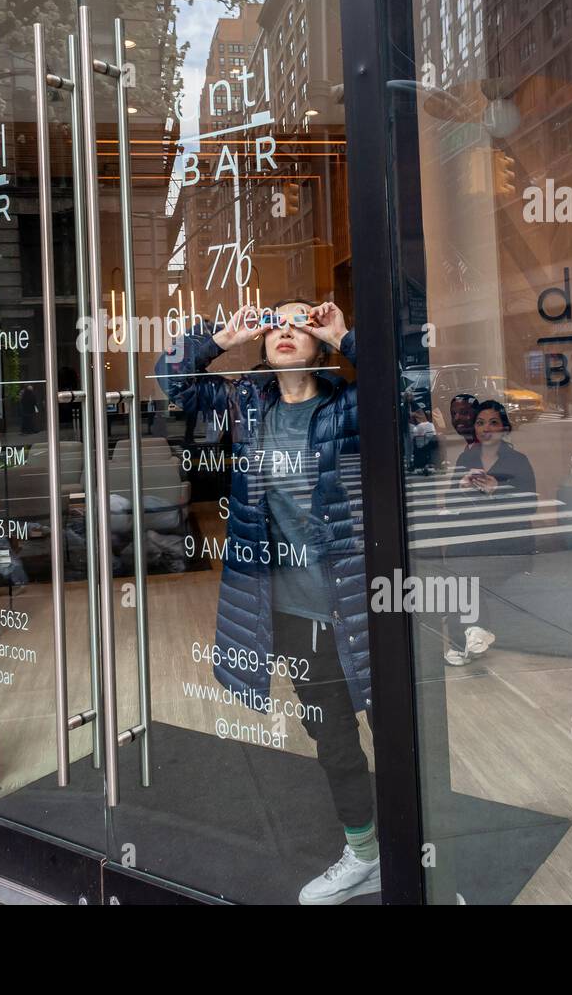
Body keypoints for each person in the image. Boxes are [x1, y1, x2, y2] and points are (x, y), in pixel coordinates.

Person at [158, 297, 378, 905]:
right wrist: (217, 339)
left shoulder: (350, 406)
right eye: (276, 324)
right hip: (295, 612)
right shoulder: (246, 406)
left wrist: (346, 333)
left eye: (301, 323)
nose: (286, 331)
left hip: (362, 603)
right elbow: (171, 380)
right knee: (333, 738)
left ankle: (421, 861)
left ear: (318, 344)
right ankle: (366, 857)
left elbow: (411, 389)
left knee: (395, 729)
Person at [444, 399, 537, 666]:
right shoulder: (467, 458)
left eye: (493, 422)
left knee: (469, 571)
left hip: (509, 542)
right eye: (480, 423)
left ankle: (465, 640)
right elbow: (450, 503)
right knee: (457, 567)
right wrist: (462, 487)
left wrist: (498, 489)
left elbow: (529, 506)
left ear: (504, 428)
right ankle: (472, 634)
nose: (486, 428)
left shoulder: (517, 461)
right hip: (474, 538)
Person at [410, 407, 437, 473]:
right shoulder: (431, 425)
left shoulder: (418, 427)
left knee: (416, 447)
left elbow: (415, 438)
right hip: (431, 445)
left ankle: (417, 465)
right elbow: (434, 434)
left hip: (422, 446)